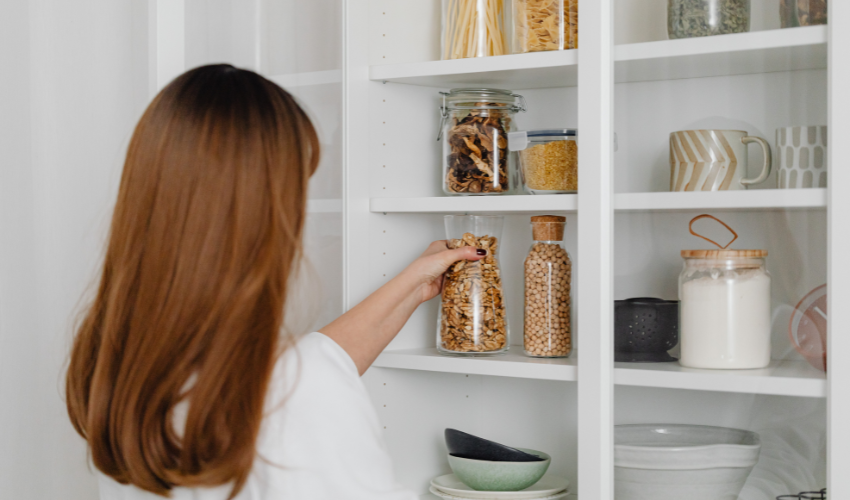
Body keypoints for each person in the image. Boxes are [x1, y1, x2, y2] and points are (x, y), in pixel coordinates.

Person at [65, 64, 486, 500]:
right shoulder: (301, 390)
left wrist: (410, 286)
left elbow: (306, 364)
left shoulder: (118, 362)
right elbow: (299, 380)